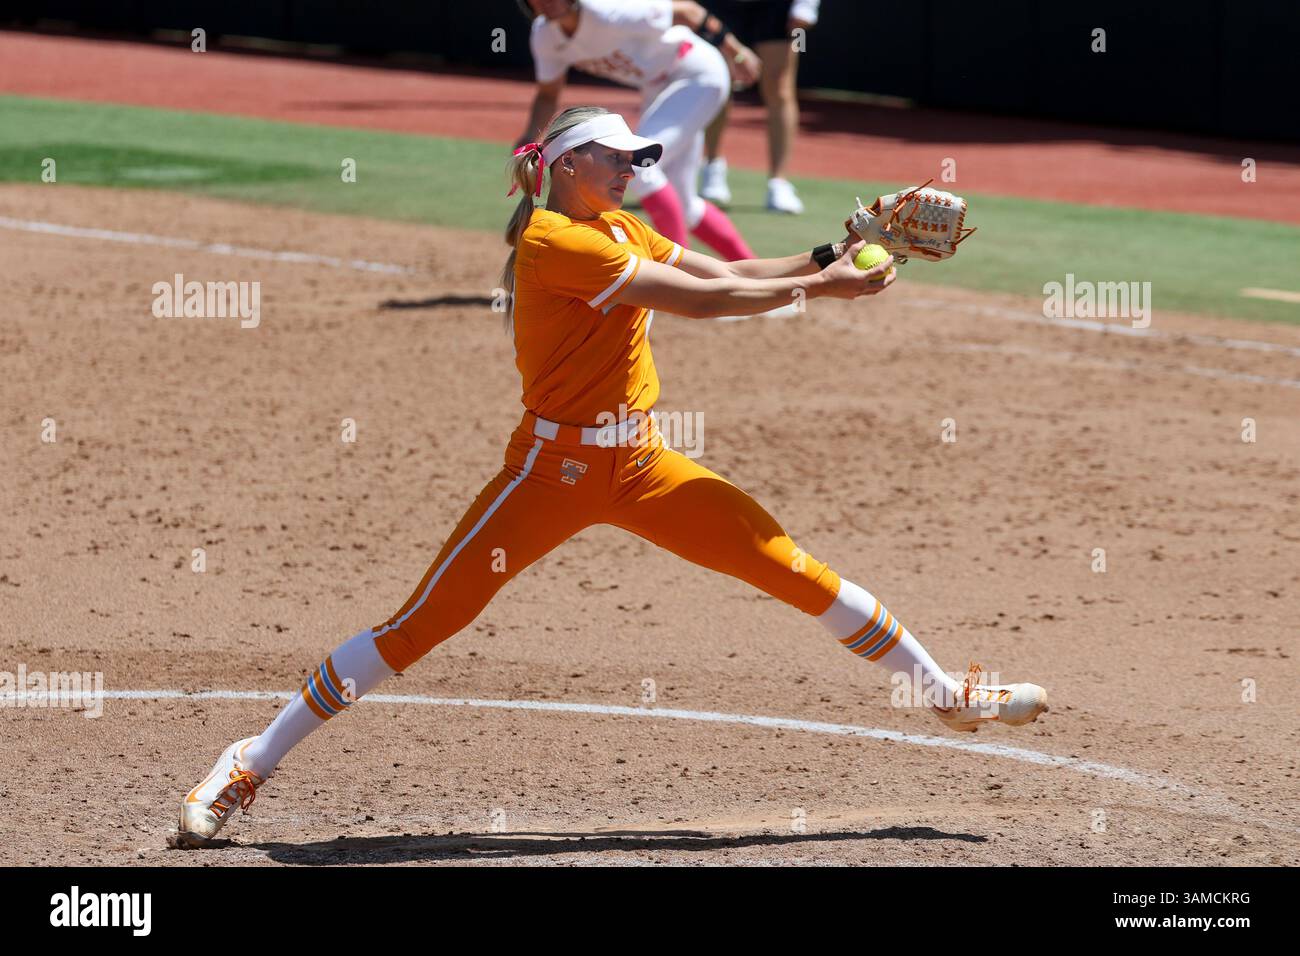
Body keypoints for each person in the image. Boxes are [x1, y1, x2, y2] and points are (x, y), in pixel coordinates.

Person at [174, 106, 1048, 846]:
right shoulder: (557, 243)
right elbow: (704, 304)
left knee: (787, 563)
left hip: (640, 464)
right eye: (618, 156)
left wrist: (842, 244)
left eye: (638, 158)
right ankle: (248, 762)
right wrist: (827, 291)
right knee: (418, 627)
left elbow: (728, 270)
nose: (633, 168)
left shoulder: (621, 228)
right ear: (565, 163)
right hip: (548, 474)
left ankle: (945, 694)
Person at [516, 0, 760, 260]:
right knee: (684, 205)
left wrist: (737, 53)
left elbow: (690, 11)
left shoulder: (605, 10)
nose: (548, 2)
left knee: (640, 166)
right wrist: (530, 139)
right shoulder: (545, 36)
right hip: (660, 88)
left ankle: (679, 279)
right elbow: (548, 95)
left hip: (696, 72)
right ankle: (758, 278)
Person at [698, 0, 820, 214]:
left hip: (776, 8)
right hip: (723, 6)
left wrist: (807, 5)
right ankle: (712, 168)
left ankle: (779, 183)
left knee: (780, 87)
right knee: (718, 81)